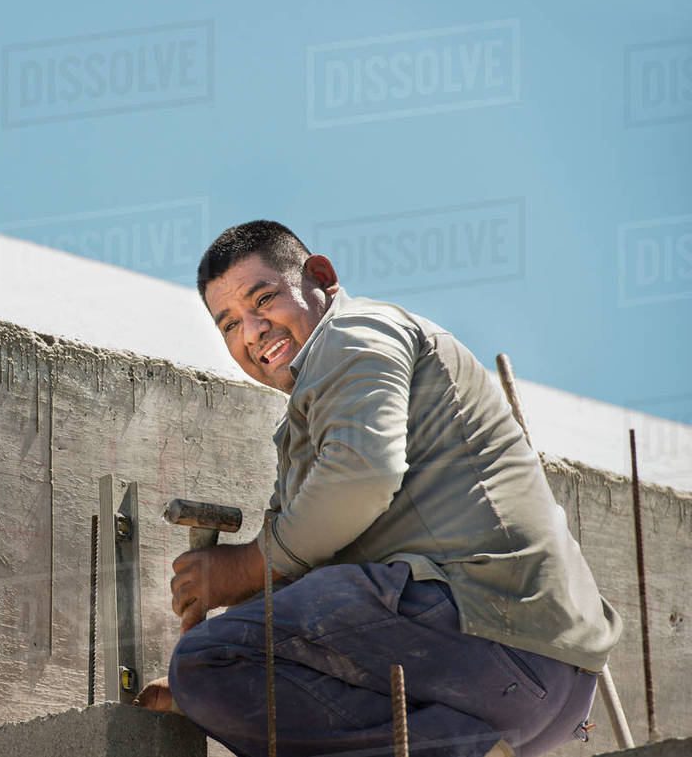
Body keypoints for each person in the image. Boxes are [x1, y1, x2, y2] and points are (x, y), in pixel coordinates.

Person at [134, 221, 621, 757]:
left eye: (265, 299)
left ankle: (448, 749)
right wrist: (199, 689)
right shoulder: (305, 424)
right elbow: (290, 577)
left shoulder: (356, 334)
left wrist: (242, 576)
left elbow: (362, 476)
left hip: (493, 636)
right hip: (543, 688)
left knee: (211, 659)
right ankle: (459, 745)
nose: (252, 332)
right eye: (229, 324)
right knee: (212, 661)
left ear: (321, 278)